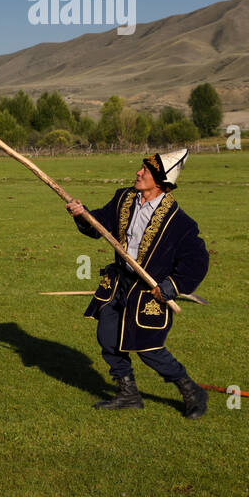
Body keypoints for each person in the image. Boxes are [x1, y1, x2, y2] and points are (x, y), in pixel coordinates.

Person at [65, 148, 209, 418]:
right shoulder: (124, 198)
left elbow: (197, 262)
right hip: (118, 283)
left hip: (149, 293)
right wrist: (81, 214)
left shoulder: (180, 223)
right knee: (107, 337)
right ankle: (128, 394)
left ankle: (191, 390)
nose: (138, 172)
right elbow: (100, 226)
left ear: (161, 181)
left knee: (147, 347)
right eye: (141, 168)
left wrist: (171, 287)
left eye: (145, 171)